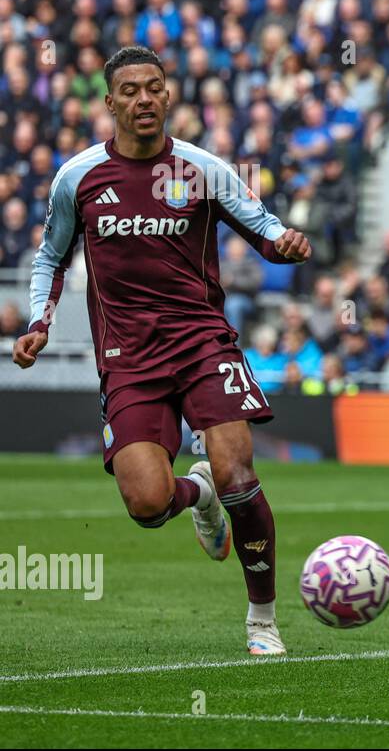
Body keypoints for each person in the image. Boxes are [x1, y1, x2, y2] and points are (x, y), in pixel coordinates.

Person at [10, 46, 312, 656]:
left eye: (154, 88)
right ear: (109, 102)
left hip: (202, 343)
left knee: (238, 471)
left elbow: (264, 228)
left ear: (168, 96)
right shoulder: (78, 178)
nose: (143, 99)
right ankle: (195, 495)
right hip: (129, 360)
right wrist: (39, 322)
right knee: (147, 504)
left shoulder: (204, 169)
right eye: (130, 90)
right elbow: (50, 257)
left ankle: (262, 620)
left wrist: (286, 244)